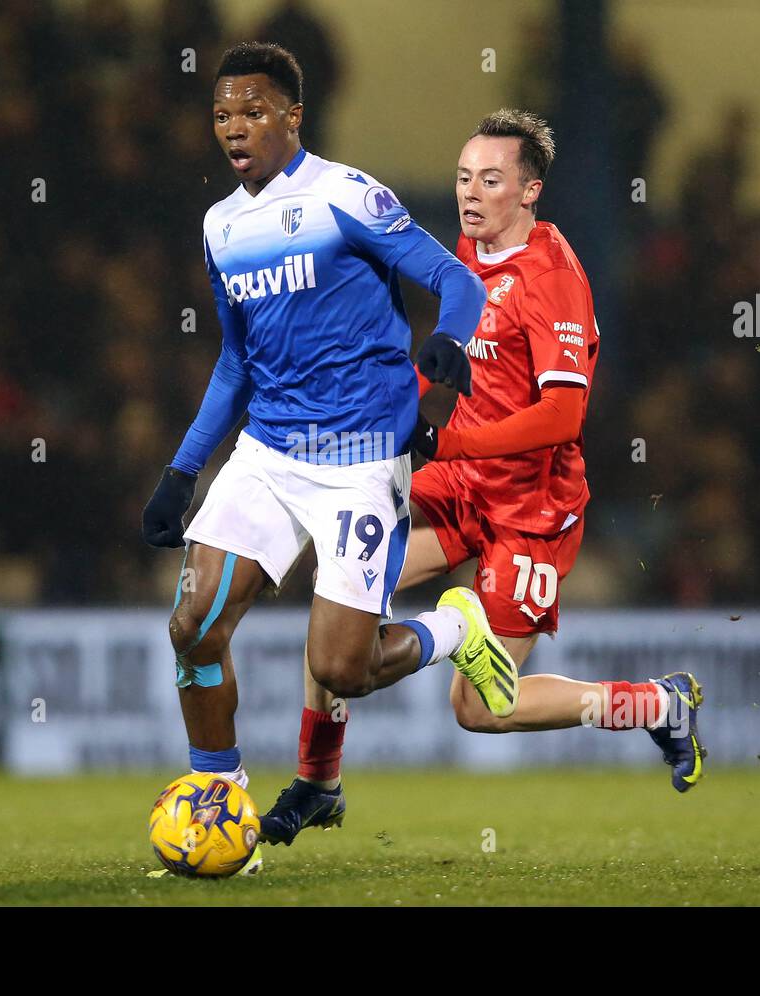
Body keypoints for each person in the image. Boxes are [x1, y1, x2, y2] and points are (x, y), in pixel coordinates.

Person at [261, 109, 706, 847]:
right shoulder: (471, 246)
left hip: (532, 506)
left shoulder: (553, 281)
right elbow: (465, 364)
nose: (470, 193)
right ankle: (318, 782)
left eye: (491, 180)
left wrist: (453, 439)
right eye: (465, 176)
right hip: (460, 485)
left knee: (479, 708)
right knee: (343, 592)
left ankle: (654, 706)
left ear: (530, 192)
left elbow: (563, 418)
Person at [140, 45, 522, 842]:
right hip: (270, 452)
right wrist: (181, 471)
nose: (234, 129)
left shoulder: (345, 194)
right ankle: (219, 799)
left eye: (252, 112)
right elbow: (238, 361)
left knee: (340, 668)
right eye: (221, 115)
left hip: (360, 461)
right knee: (192, 626)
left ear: (291, 117)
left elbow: (458, 280)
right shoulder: (220, 227)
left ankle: (454, 628)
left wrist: (449, 345)